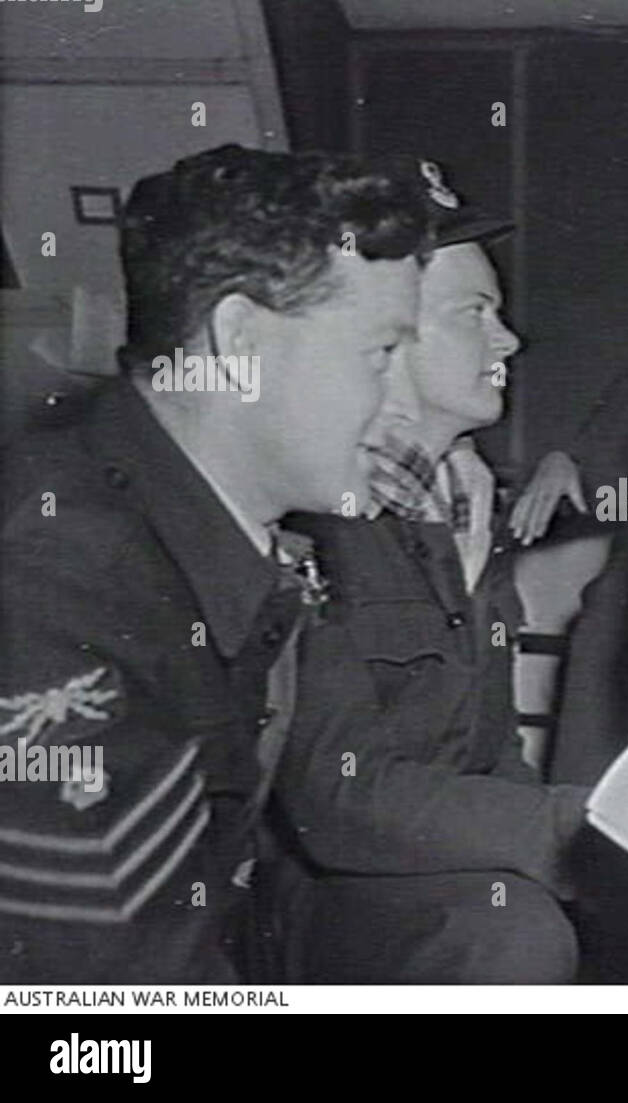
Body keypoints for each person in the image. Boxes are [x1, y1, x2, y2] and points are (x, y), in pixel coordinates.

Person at [270, 163, 628, 983]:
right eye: (476, 315)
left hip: (439, 875)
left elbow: (492, 758)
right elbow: (335, 797)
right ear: (385, 338)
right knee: (516, 935)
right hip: (324, 900)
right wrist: (594, 831)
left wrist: (623, 852)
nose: (510, 341)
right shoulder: (314, 515)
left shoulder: (463, 506)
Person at [0, 144, 429, 982]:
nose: (403, 404)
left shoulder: (185, 531)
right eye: (381, 354)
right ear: (239, 340)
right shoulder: (60, 593)